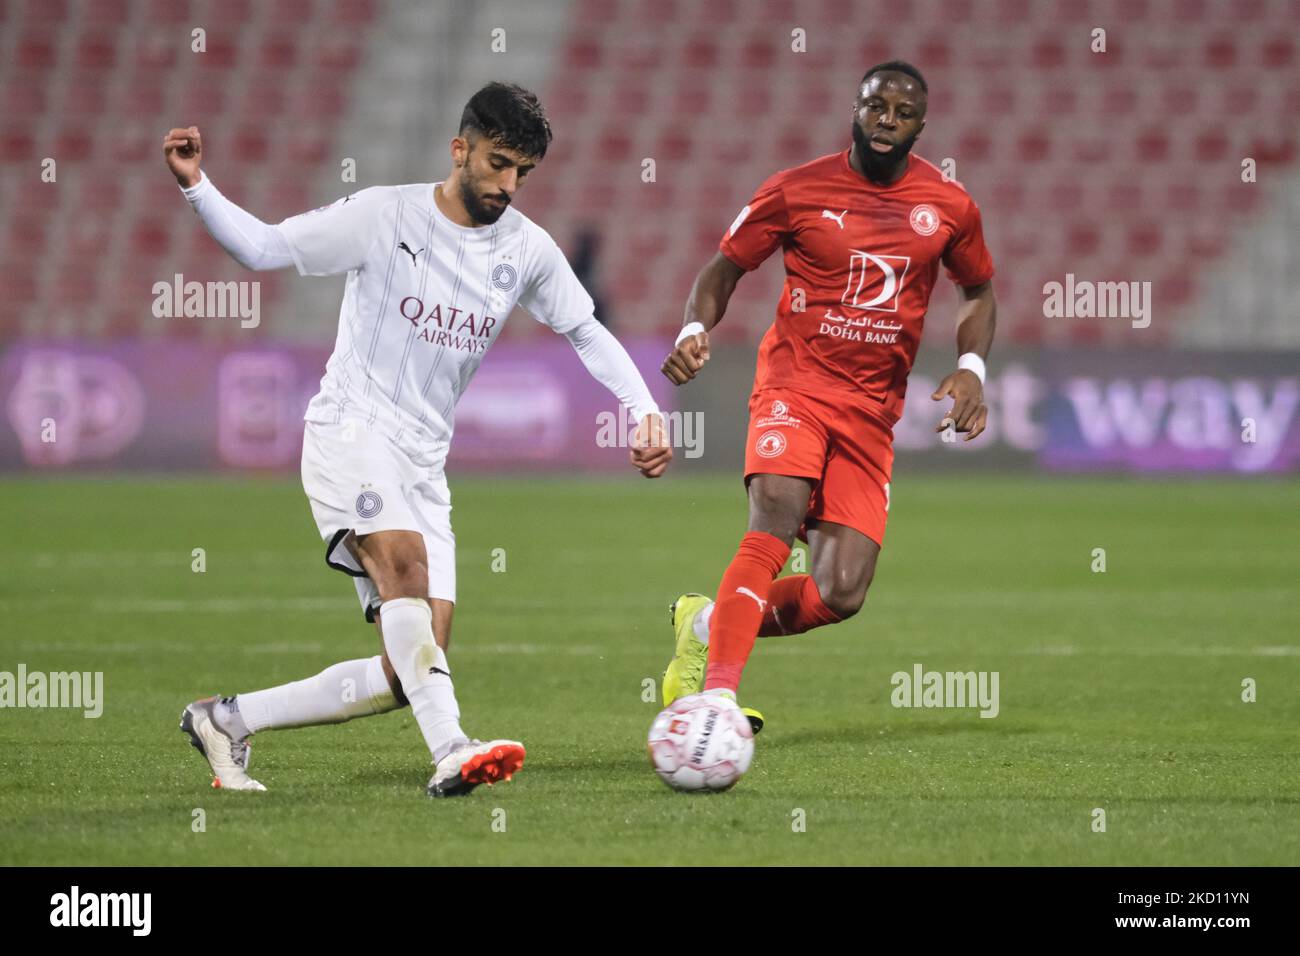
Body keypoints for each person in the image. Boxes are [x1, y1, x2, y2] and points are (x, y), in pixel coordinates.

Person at [166, 82, 672, 796]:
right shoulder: (383, 215)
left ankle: (225, 719)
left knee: (409, 669)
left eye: (522, 172)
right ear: (459, 149)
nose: (508, 184)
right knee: (403, 568)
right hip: (351, 429)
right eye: (497, 163)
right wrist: (198, 188)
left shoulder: (525, 248)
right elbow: (264, 248)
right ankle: (452, 749)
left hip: (424, 465)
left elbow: (585, 329)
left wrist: (642, 408)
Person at [659, 62, 996, 731]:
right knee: (774, 519)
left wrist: (972, 367)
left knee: (841, 592)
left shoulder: (950, 207)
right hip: (796, 386)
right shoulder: (797, 190)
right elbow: (725, 266)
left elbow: (978, 289)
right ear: (857, 107)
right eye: (876, 106)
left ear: (921, 125)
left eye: (902, 113)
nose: (887, 121)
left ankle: (705, 625)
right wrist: (696, 326)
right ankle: (716, 698)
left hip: (872, 413)